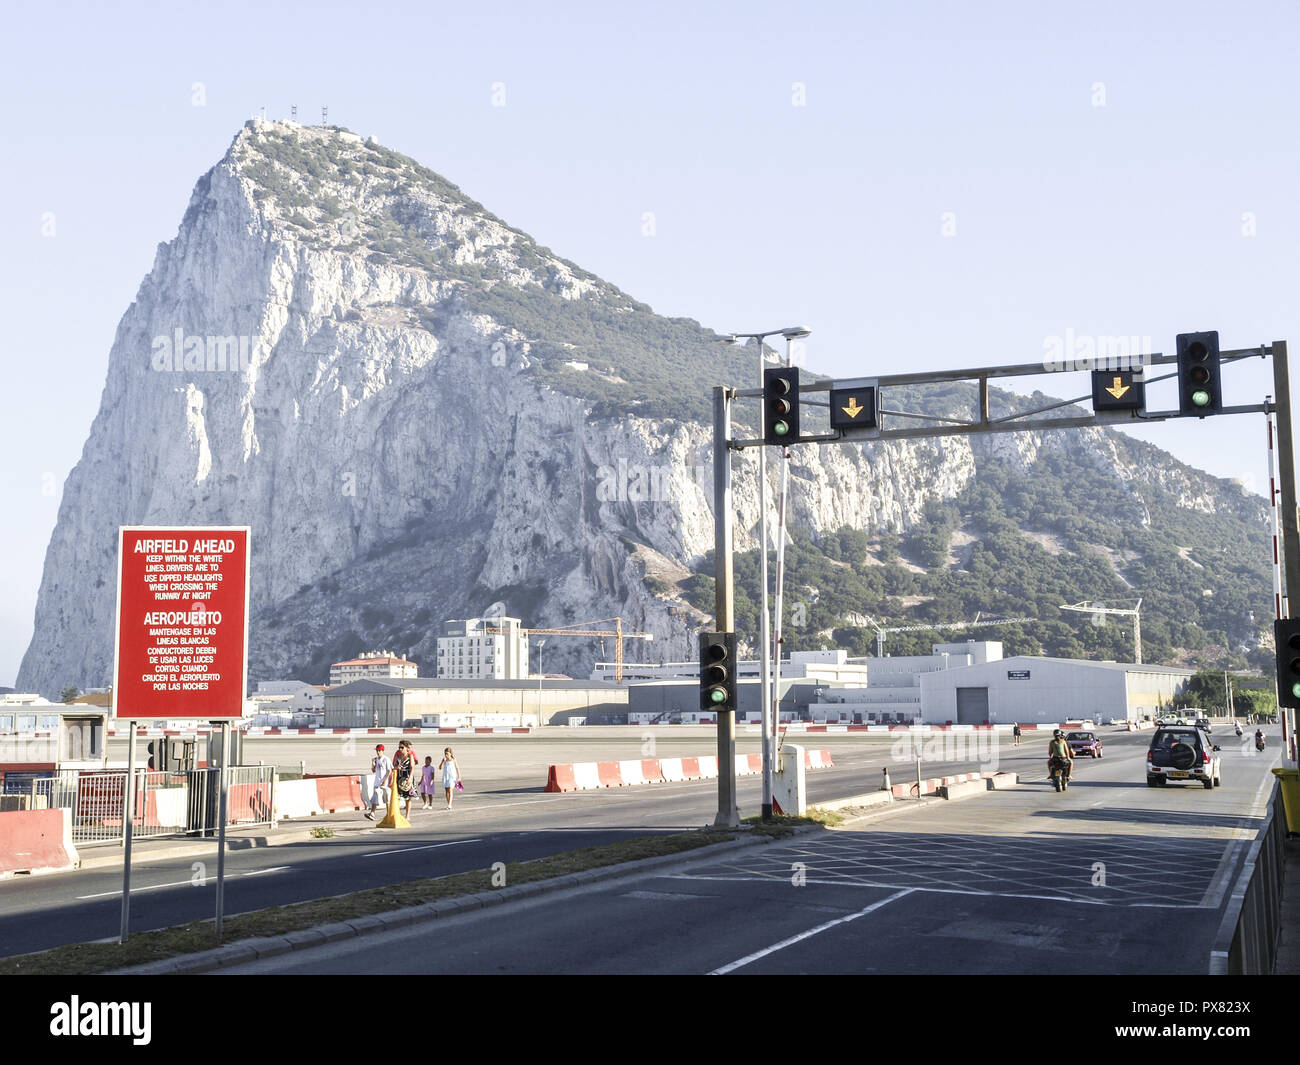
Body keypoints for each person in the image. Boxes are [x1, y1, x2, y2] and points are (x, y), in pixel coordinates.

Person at [365, 744, 392, 820]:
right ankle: (372, 813)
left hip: (384, 782)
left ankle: (389, 814)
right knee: (375, 796)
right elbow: (373, 771)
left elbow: (389, 771)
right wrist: (373, 764)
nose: (378, 752)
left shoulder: (386, 759)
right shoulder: (376, 759)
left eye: (379, 750)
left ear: (382, 751)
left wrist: (385, 780)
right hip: (377, 781)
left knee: (386, 798)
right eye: (377, 750)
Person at [393, 739, 418, 818]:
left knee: (408, 798)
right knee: (398, 797)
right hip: (400, 777)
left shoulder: (410, 755)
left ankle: (407, 816)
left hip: (407, 776)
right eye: (399, 747)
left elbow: (412, 767)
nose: (400, 749)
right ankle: (398, 815)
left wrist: (410, 778)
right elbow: (393, 766)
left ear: (407, 748)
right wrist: (397, 767)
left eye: (402, 747)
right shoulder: (398, 755)